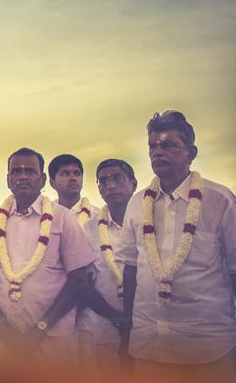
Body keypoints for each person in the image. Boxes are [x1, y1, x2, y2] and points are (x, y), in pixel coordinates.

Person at [117, 111, 236, 382]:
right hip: (148, 344)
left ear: (191, 152)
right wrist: (126, 330)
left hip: (209, 346)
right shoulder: (138, 203)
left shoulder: (220, 200)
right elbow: (130, 267)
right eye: (153, 145)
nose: (158, 152)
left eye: (169, 145)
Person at [0, 147, 94, 376]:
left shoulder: (62, 218)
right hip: (5, 340)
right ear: (8, 180)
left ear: (42, 180)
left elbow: (78, 281)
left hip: (53, 337)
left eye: (30, 171)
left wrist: (39, 329)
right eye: (16, 172)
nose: (22, 176)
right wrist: (2, 326)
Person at [77, 159, 137, 382]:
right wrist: (119, 321)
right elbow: (81, 283)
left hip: (149, 326)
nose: (110, 185)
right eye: (103, 181)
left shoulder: (150, 222)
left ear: (133, 183)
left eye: (117, 178)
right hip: (102, 328)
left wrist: (132, 322)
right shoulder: (89, 229)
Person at [49, 154, 99, 226]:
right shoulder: (44, 216)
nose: (73, 178)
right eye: (65, 174)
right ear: (52, 183)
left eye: (77, 173)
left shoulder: (98, 217)